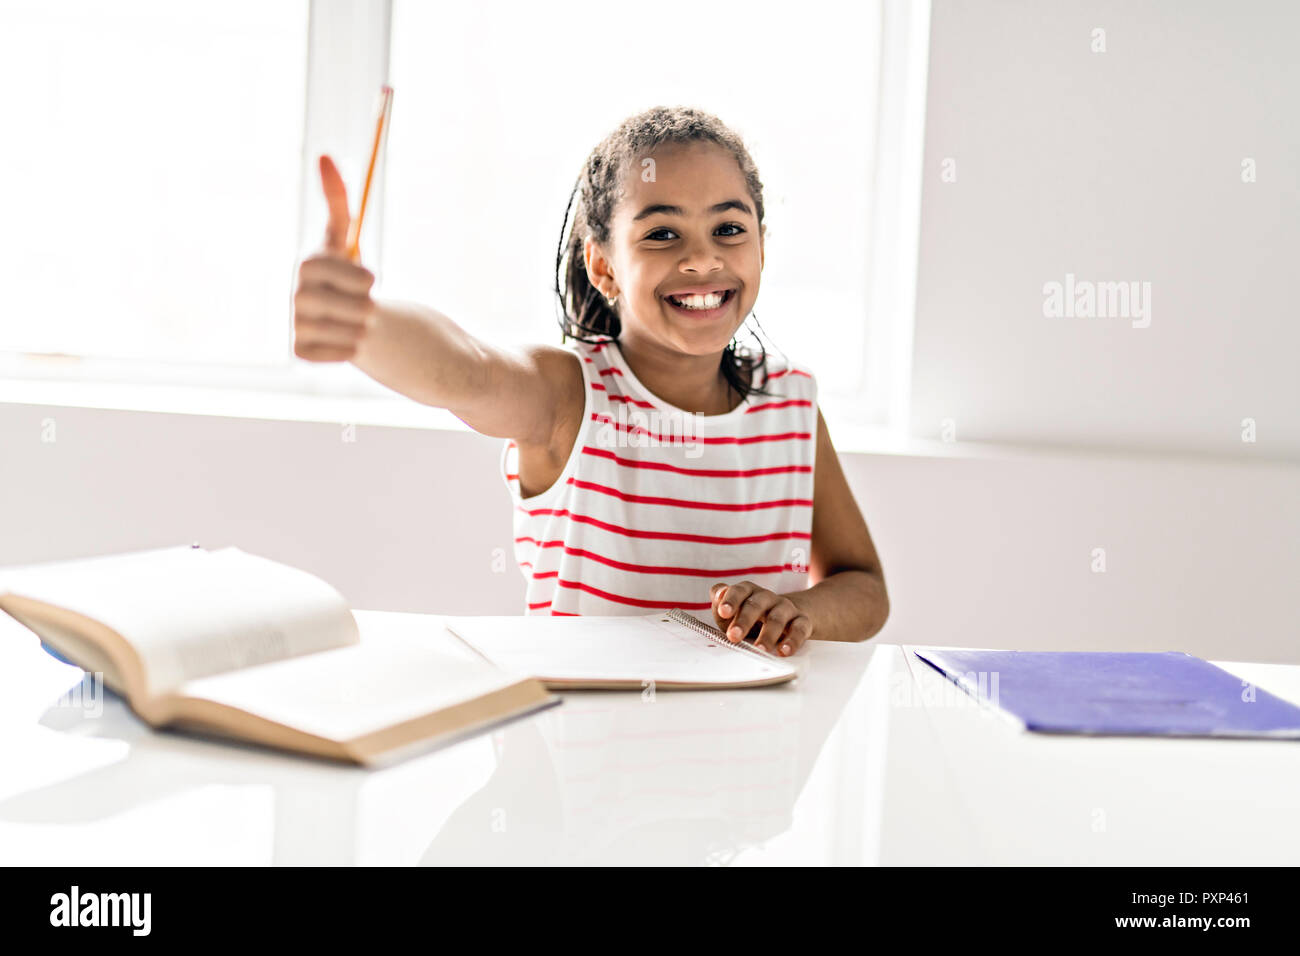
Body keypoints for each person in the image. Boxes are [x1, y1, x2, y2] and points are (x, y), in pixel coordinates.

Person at [292, 106, 888, 655]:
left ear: (761, 246)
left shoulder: (791, 405)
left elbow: (863, 586)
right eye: (661, 233)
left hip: (754, 751)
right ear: (603, 266)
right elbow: (467, 368)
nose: (703, 260)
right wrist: (364, 325)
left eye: (729, 228)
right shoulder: (569, 394)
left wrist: (797, 611)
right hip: (582, 755)